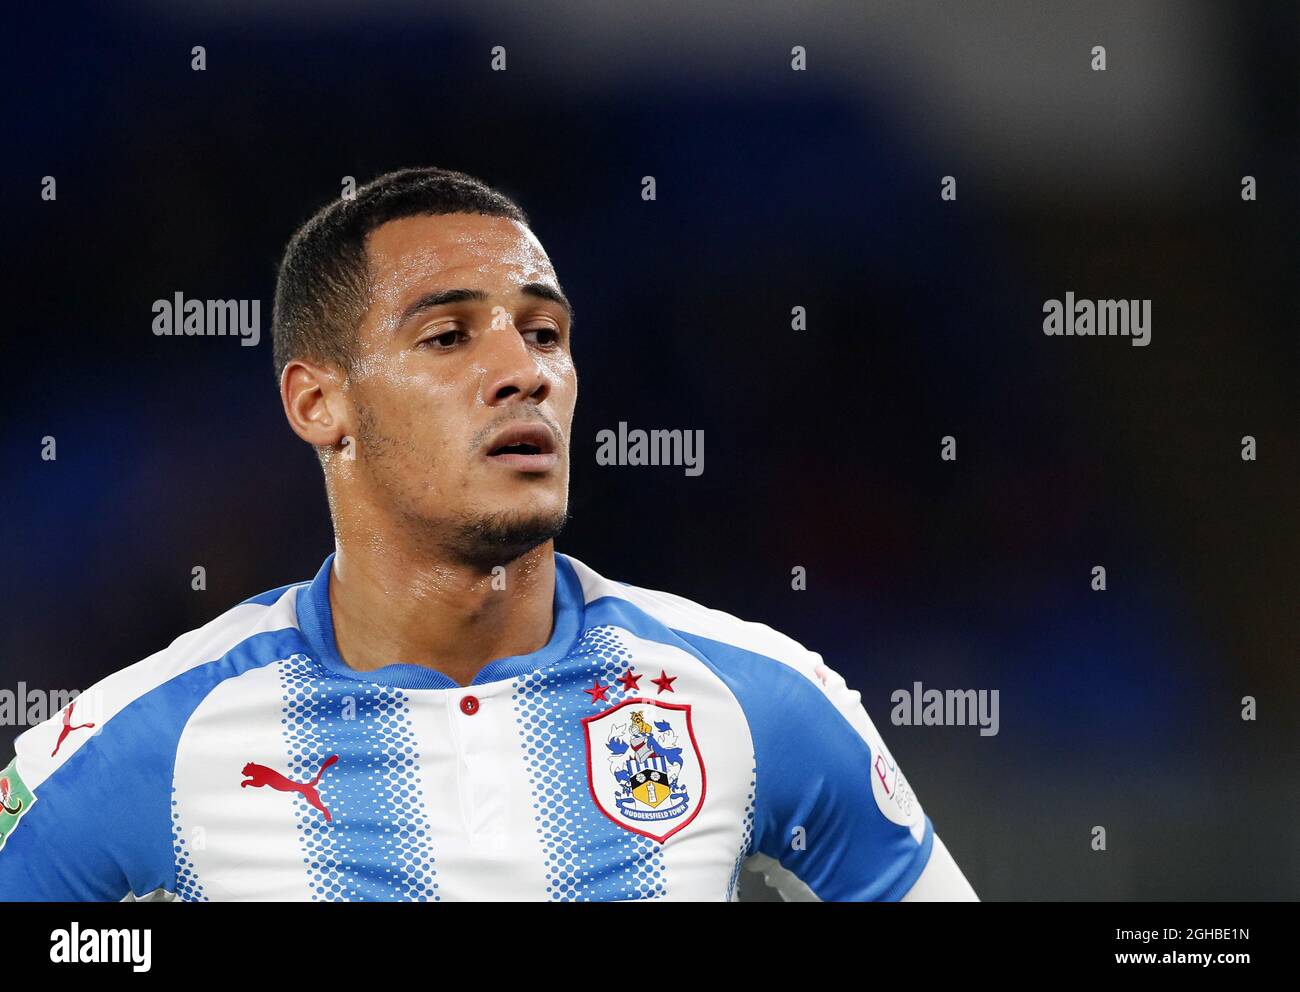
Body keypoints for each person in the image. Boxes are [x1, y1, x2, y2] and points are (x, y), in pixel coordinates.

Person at [0, 167, 977, 901]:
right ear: (317, 401)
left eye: (544, 332)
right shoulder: (156, 737)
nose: (524, 372)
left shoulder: (753, 697)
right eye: (448, 335)